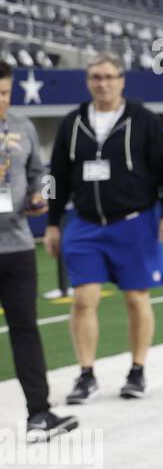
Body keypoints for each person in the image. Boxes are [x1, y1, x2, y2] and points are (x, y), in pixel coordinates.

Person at [45, 53, 163, 403]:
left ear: (122, 80)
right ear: (87, 81)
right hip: (86, 224)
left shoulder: (145, 120)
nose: (102, 83)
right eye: (95, 77)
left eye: (108, 76)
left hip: (135, 222)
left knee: (136, 298)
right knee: (83, 298)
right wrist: (52, 223)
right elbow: (57, 176)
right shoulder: (72, 123)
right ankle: (86, 374)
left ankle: (137, 371)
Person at [0, 63, 77, 441]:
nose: (1, 101)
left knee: (25, 329)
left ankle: (40, 414)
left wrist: (39, 197)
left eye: (4, 93)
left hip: (15, 246)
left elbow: (42, 175)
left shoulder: (23, 125)